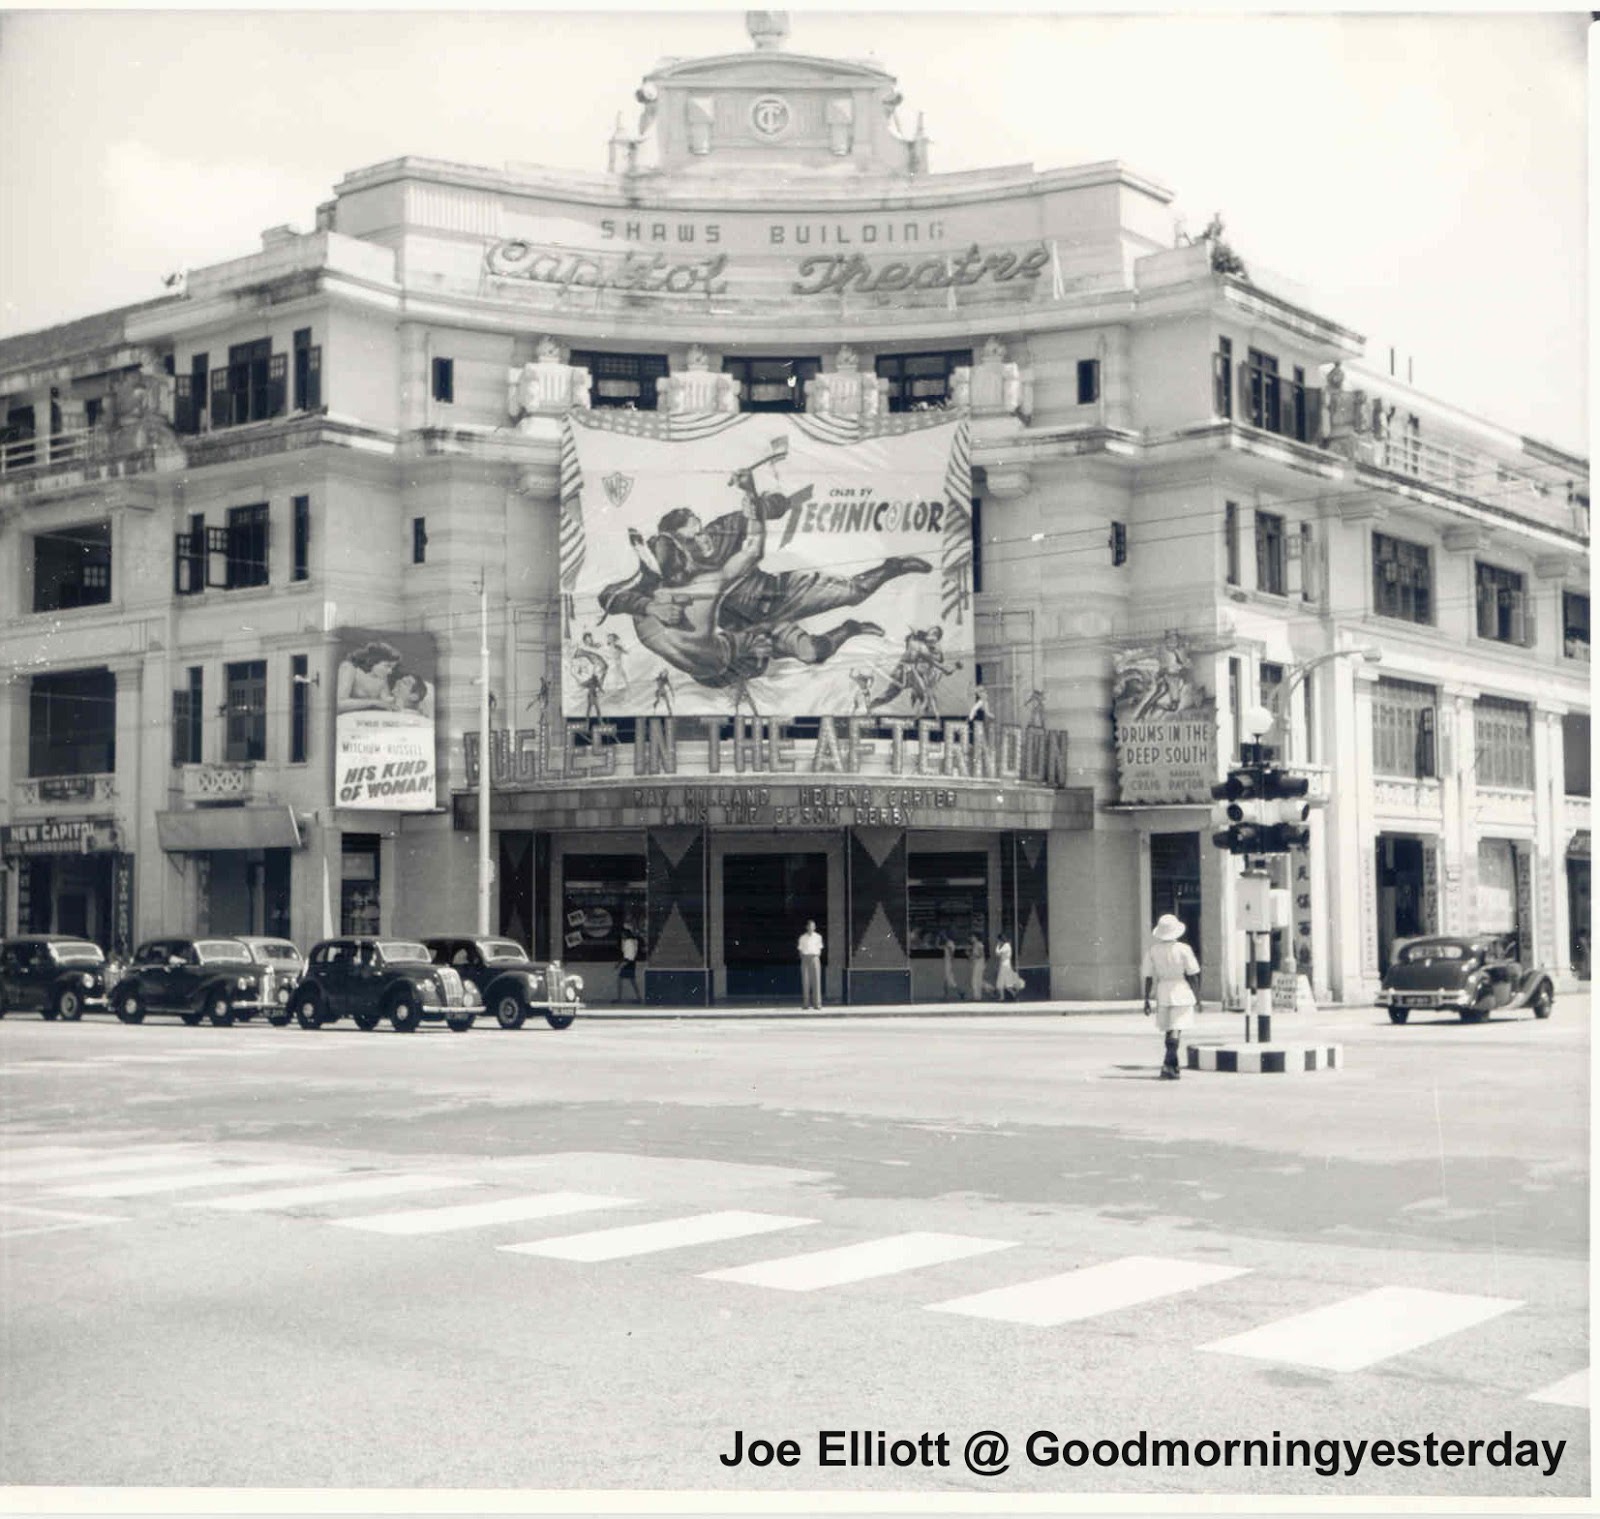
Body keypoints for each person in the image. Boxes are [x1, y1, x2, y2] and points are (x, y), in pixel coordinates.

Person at [1141, 914, 1201, 1080]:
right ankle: (1169, 1065)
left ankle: (1170, 1067)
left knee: (1169, 1029)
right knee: (1176, 1028)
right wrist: (1197, 995)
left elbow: (1148, 977)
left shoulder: (1153, 951)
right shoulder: (1184, 949)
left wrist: (1146, 999)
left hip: (1163, 991)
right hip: (1181, 989)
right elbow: (1193, 974)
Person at [797, 919, 824, 1010]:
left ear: (814, 927)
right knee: (805, 981)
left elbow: (820, 949)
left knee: (816, 981)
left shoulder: (818, 937)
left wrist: (815, 956)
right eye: (809, 926)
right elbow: (800, 949)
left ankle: (817, 1004)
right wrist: (804, 958)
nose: (811, 928)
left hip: (814, 958)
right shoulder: (802, 937)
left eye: (813, 926)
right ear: (807, 927)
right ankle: (806, 1004)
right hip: (805, 958)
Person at [992, 932, 1025, 1002]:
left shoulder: (1006, 946)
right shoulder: (1007, 946)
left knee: (1002, 981)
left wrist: (997, 946)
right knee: (1006, 983)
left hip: (1005, 965)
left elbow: (998, 953)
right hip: (1005, 965)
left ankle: (1004, 997)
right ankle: (1012, 995)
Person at [616, 925, 642, 1004]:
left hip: (628, 963)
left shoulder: (628, 942)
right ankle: (639, 997)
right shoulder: (633, 941)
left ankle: (620, 998)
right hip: (632, 963)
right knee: (632, 981)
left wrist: (620, 964)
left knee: (620, 979)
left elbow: (627, 955)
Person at [939, 930, 962, 1001]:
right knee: (945, 981)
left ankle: (960, 992)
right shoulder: (947, 943)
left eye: (944, 935)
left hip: (948, 963)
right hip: (947, 962)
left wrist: (951, 961)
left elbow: (951, 952)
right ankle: (945, 996)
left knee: (951, 981)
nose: (943, 937)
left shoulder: (950, 943)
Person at [967, 932, 986, 1002]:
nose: (971, 938)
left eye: (973, 937)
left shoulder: (979, 944)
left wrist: (972, 955)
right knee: (976, 980)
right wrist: (970, 955)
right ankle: (977, 996)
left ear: (976, 937)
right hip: (976, 963)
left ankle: (977, 996)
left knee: (976, 980)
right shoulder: (974, 945)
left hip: (979, 964)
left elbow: (981, 955)